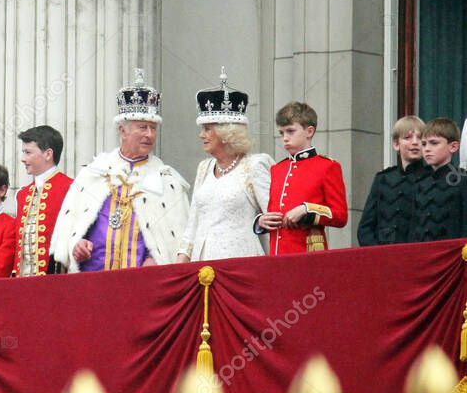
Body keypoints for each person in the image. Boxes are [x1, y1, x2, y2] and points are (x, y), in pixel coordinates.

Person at [50, 70, 190, 272]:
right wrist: (77, 244)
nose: (150, 135)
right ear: (122, 131)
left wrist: (155, 257)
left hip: (141, 281)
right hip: (93, 280)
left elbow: (175, 239)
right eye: (143, 127)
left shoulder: (167, 180)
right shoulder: (93, 173)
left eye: (153, 128)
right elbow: (72, 229)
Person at [176, 75, 272, 262]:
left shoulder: (253, 165)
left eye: (207, 128)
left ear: (226, 133)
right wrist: (180, 266)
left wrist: (259, 223)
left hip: (241, 264)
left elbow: (273, 217)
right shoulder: (204, 168)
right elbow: (193, 224)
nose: (201, 135)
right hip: (203, 265)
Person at [256, 102, 348, 255]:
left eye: (290, 131)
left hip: (307, 254)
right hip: (276, 254)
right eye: (282, 133)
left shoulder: (327, 166)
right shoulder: (277, 169)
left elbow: (340, 216)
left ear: (309, 131)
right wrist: (262, 221)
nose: (285, 138)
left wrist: (306, 209)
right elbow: (273, 211)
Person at [12, 125, 73, 277]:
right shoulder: (22, 195)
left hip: (56, 280)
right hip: (22, 282)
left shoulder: (71, 188)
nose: (23, 158)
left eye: (28, 152)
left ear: (48, 154)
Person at [357, 115, 427, 246]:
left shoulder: (431, 177)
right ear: (396, 144)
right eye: (408, 137)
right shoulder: (383, 179)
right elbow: (365, 228)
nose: (415, 142)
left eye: (420, 138)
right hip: (384, 253)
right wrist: (378, 253)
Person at [408, 118, 467, 242]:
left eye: (434, 143)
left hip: (454, 251)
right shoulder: (419, 183)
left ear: (453, 146)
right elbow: (413, 228)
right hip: (421, 251)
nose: (427, 149)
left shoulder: (462, 181)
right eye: (424, 144)